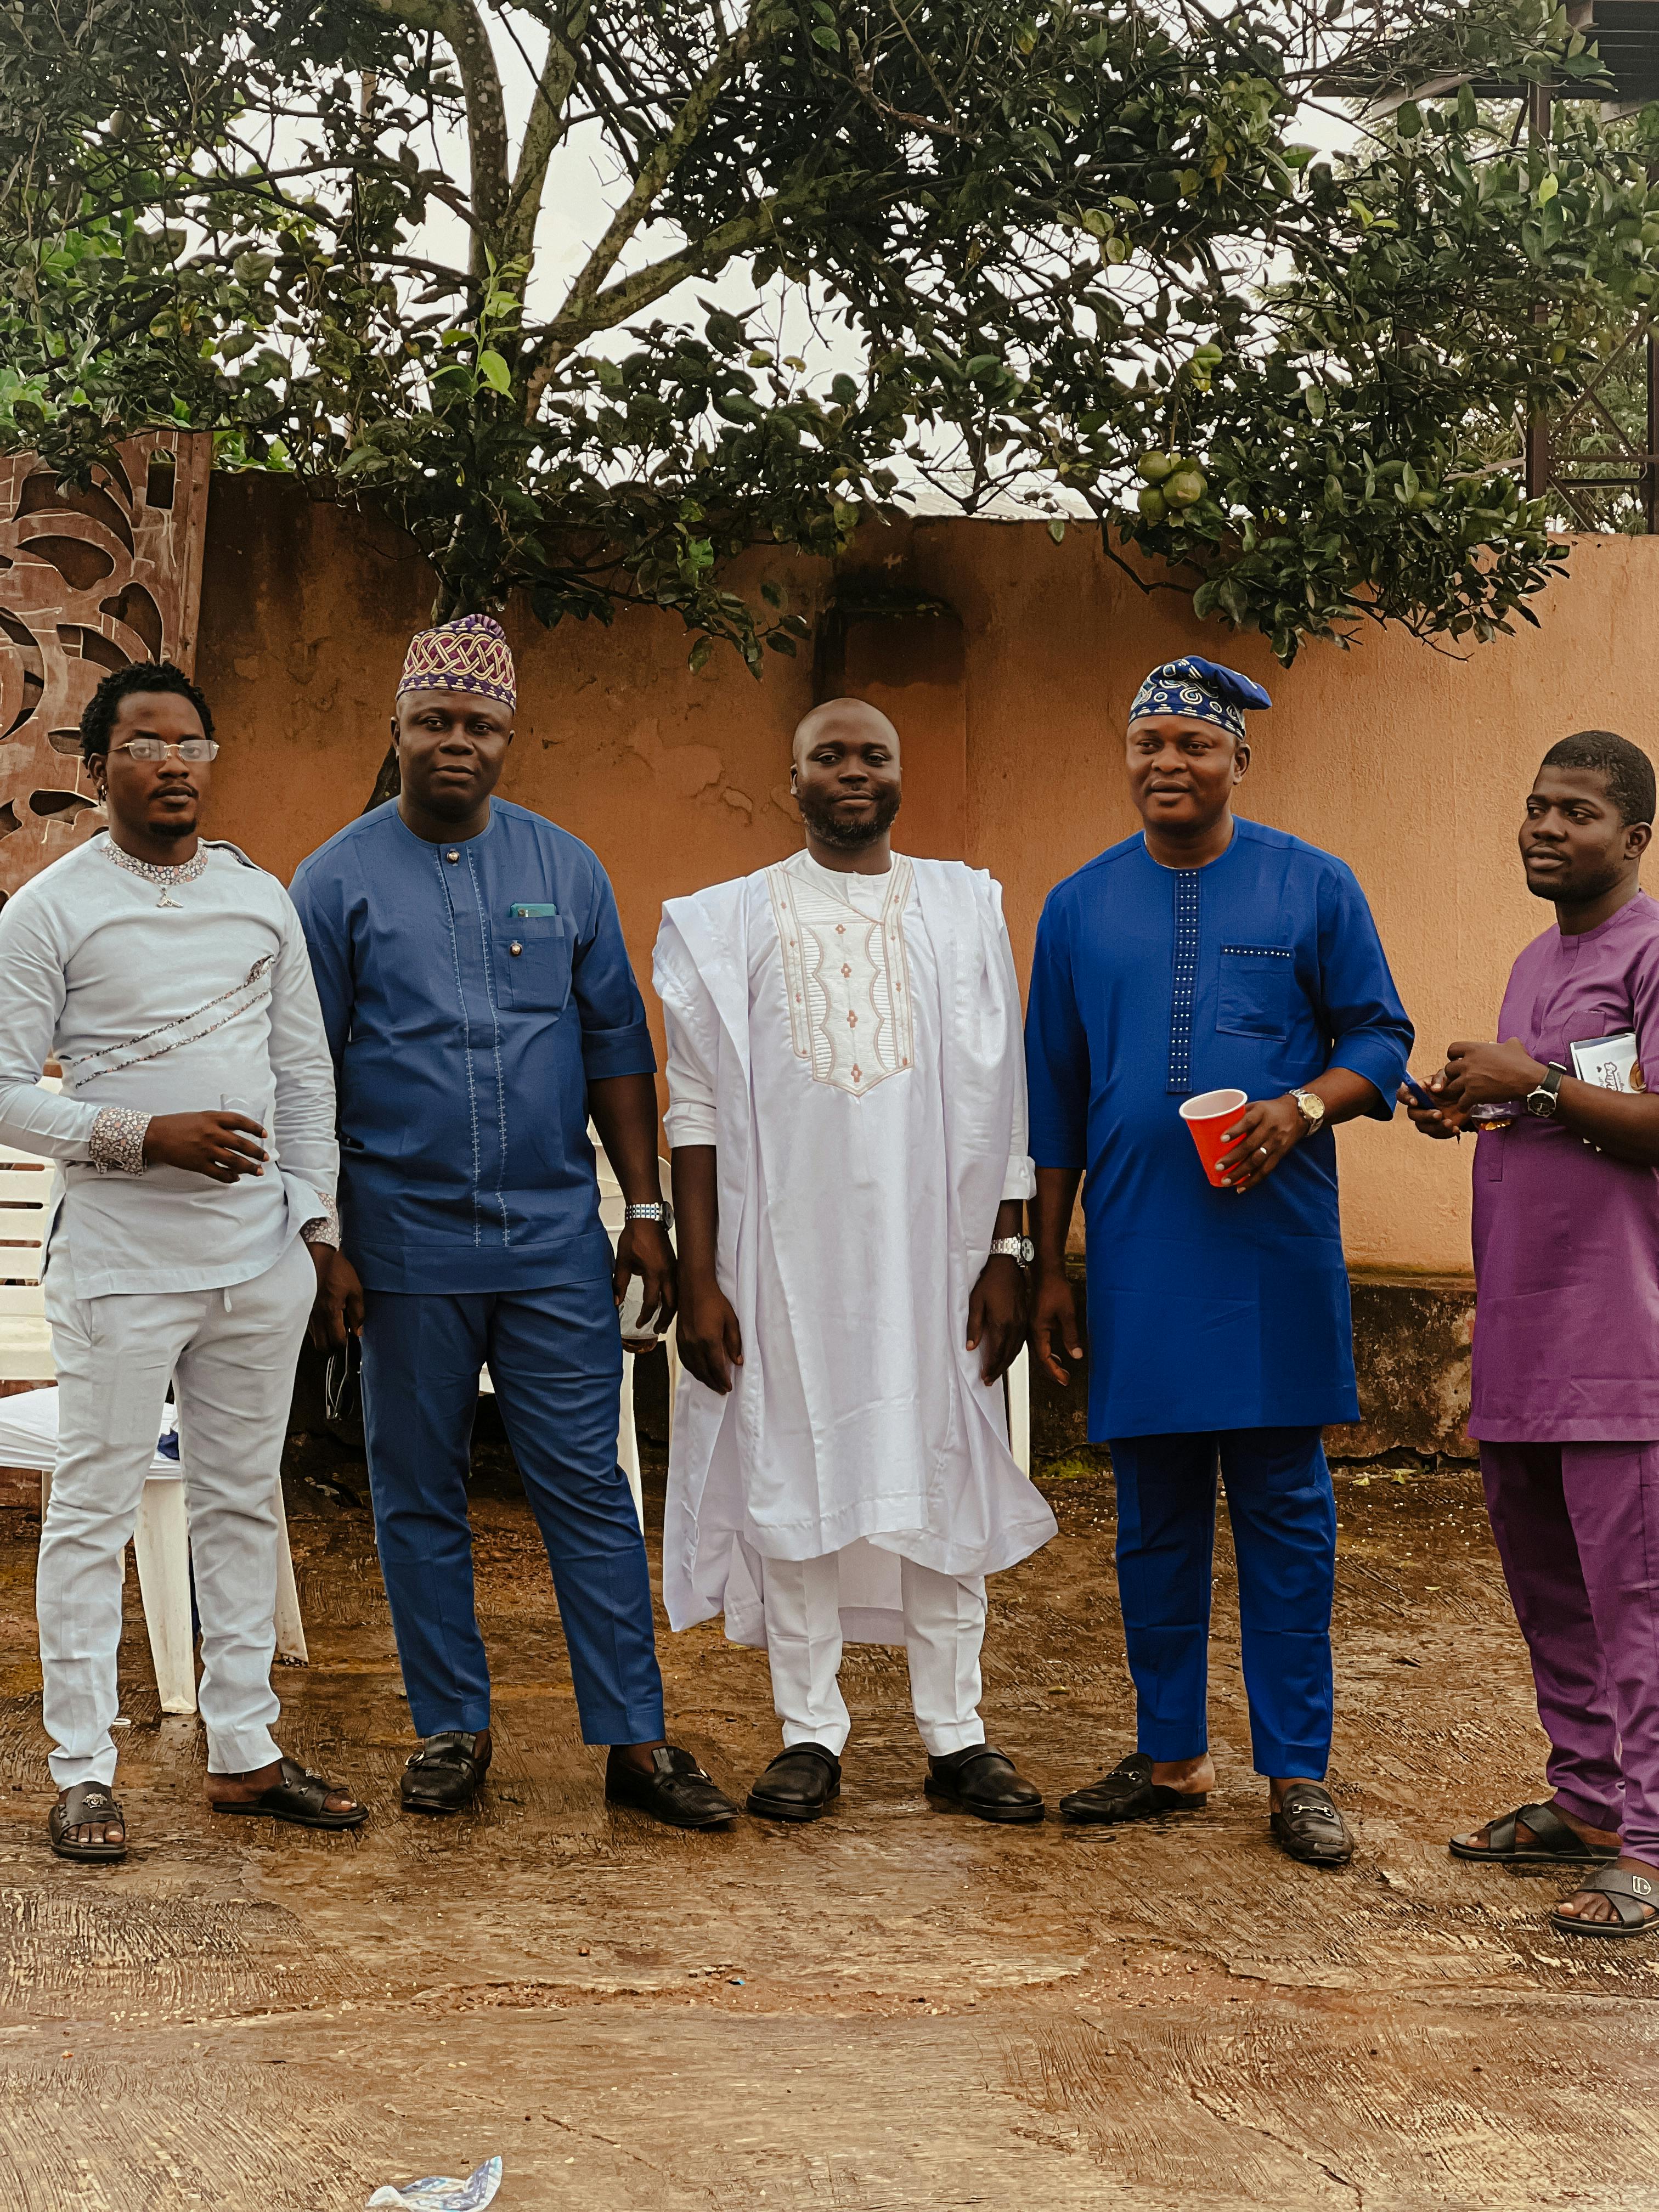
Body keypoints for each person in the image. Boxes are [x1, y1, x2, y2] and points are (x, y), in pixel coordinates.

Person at [291, 613, 735, 1830]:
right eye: (433, 722)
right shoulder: (332, 881)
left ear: (508, 740)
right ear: (397, 730)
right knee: (416, 1488)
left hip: (550, 1240)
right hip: (403, 1243)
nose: (456, 744)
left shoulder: (565, 869)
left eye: (479, 727)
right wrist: (322, 1238)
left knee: (586, 1485)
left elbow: (615, 1050)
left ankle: (635, 1742)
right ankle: (450, 1727)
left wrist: (643, 1210)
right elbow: (303, 1071)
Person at [1025, 657, 1413, 1865]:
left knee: (1288, 1514)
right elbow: (1053, 1103)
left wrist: (1302, 1105)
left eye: (1195, 745)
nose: (1168, 765)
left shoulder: (1313, 885)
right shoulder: (1079, 906)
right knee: (1154, 1515)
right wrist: (1047, 1266)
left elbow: (1382, 1038)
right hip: (1139, 1254)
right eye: (1149, 744)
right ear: (1127, 758)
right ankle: (1171, 1755)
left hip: (1272, 1257)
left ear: (1239, 759)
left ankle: (1296, 1772)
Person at [653, 696, 1057, 1825]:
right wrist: (699, 1276)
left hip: (937, 1253)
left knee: (944, 1465)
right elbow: (692, 1110)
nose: (851, 772)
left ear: (900, 772)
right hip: (780, 1259)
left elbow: (1007, 1089)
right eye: (827, 756)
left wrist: (1009, 1246)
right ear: (793, 780)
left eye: (873, 754)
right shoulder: (729, 920)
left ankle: (956, 1734)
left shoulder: (966, 908)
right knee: (795, 1466)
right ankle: (809, 1731)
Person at [0, 660, 362, 1861]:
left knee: (241, 1504)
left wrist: (316, 1227)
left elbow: (306, 1075)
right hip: (116, 1259)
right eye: (145, 745)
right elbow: (3, 1094)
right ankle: (83, 1769)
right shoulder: (50, 910)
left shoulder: (261, 900)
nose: (172, 764)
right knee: (96, 1511)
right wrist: (139, 1136)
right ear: (95, 767)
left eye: (191, 745)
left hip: (259, 1260)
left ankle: (246, 1753)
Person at [1407, 730, 1659, 1940]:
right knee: (1549, 1591)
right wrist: (1473, 1102)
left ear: (1635, 839)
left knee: (1637, 1599)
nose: (1547, 828)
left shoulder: (1654, 950)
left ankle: (1652, 1846)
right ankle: (1591, 1802)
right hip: (1519, 1333)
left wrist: (1539, 1084)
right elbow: (1553, 1103)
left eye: (1579, 813)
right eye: (1536, 806)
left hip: (1622, 1342)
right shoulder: (1531, 960)